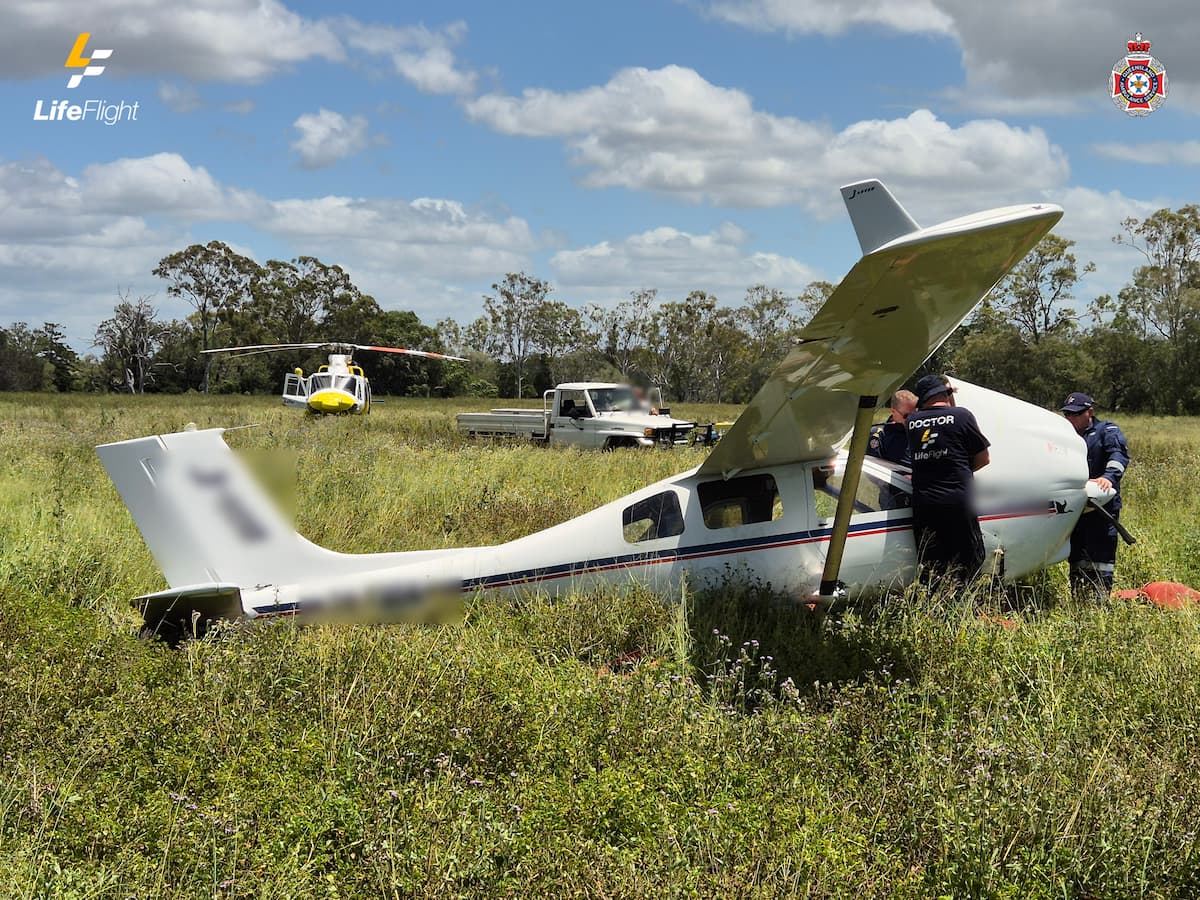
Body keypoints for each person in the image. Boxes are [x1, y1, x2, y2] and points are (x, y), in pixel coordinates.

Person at [906, 374, 991, 583]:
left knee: (931, 560)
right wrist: (959, 468)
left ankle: (935, 602)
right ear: (945, 394)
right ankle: (964, 600)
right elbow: (984, 458)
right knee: (968, 556)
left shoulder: (911, 422)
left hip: (924, 503)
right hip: (957, 500)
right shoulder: (962, 416)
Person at [1061, 391, 1130, 600]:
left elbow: (1118, 455)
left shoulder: (1106, 430)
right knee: (1077, 554)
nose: (1071, 419)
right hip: (1075, 507)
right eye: (1068, 415)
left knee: (1100, 555)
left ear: (1089, 412)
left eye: (1076, 414)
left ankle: (1100, 600)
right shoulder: (1066, 435)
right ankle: (1079, 598)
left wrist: (1109, 477)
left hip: (1102, 507)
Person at [867, 389, 917, 465]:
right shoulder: (879, 434)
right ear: (893, 412)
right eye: (907, 416)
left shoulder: (919, 433)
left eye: (915, 415)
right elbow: (873, 468)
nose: (912, 419)